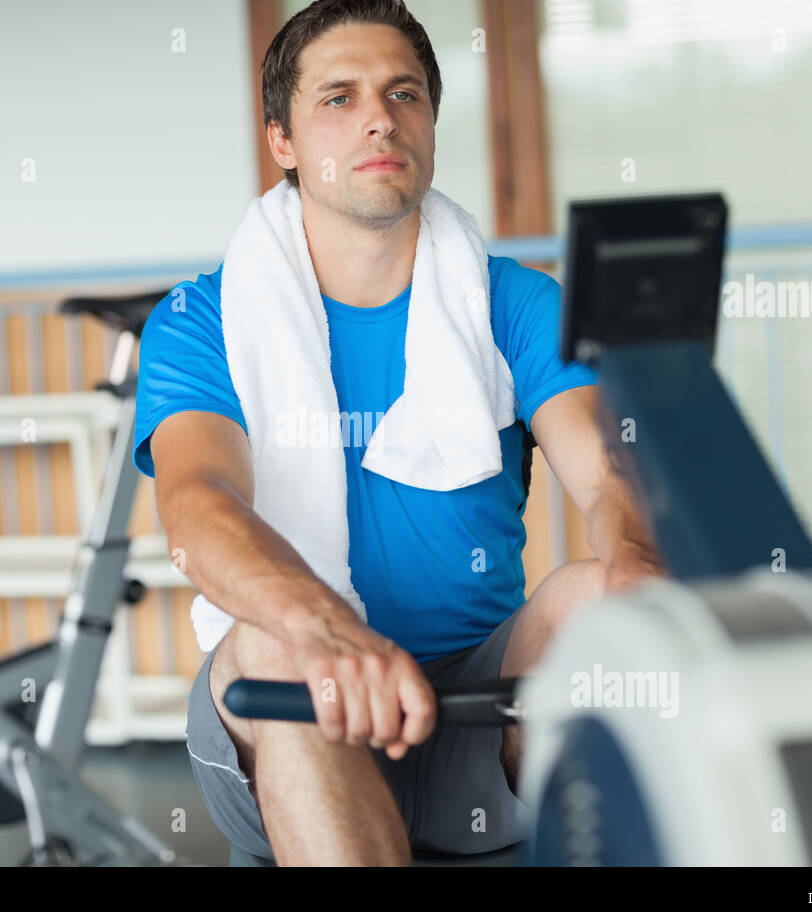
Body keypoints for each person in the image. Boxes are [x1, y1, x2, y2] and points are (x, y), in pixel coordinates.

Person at [133, 0, 664, 866]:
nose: (381, 115)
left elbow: (606, 480)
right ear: (283, 141)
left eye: (404, 93)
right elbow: (198, 508)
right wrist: (325, 630)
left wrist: (641, 569)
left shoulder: (516, 303)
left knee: (601, 596)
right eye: (338, 97)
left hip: (479, 710)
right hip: (293, 704)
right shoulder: (204, 318)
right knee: (276, 641)